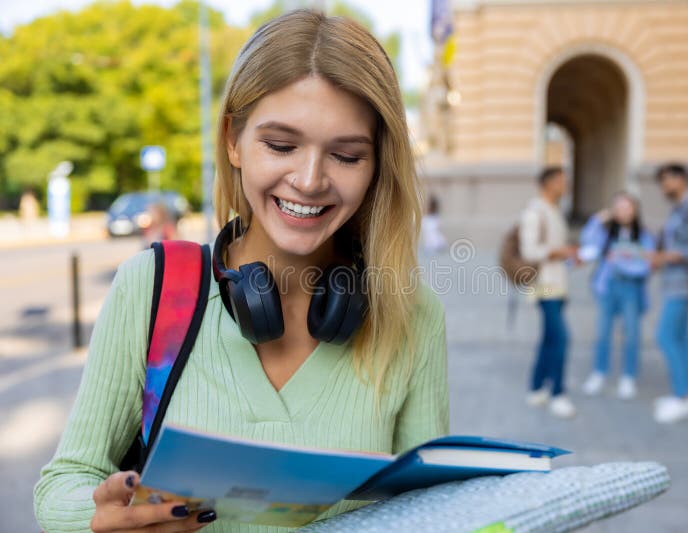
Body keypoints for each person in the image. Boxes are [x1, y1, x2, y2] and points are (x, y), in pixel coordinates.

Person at [34, 10, 448, 532]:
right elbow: (63, 483)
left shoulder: (413, 315)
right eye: (281, 145)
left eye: (346, 155)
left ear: (376, 165)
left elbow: (435, 514)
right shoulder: (153, 288)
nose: (310, 179)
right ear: (233, 139)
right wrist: (99, 516)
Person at [648, 163, 688, 424]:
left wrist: (663, 257)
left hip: (683, 283)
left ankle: (681, 395)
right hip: (676, 282)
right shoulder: (680, 208)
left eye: (668, 179)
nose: (664, 185)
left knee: (665, 336)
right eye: (661, 180)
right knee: (682, 338)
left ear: (682, 179)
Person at [580, 192, 655, 400]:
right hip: (607, 288)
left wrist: (623, 260)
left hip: (631, 288)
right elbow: (587, 243)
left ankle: (628, 377)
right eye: (619, 208)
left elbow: (646, 265)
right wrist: (597, 220)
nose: (623, 212)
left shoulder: (644, 236)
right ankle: (599, 373)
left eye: (628, 207)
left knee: (631, 334)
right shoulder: (606, 234)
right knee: (602, 332)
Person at [520, 166, 579, 419]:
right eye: (561, 181)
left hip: (558, 283)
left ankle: (535, 388)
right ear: (548, 183)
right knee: (562, 338)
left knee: (549, 338)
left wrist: (569, 255)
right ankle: (558, 393)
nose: (565, 185)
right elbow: (530, 251)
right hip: (544, 286)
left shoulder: (555, 211)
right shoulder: (535, 212)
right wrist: (561, 252)